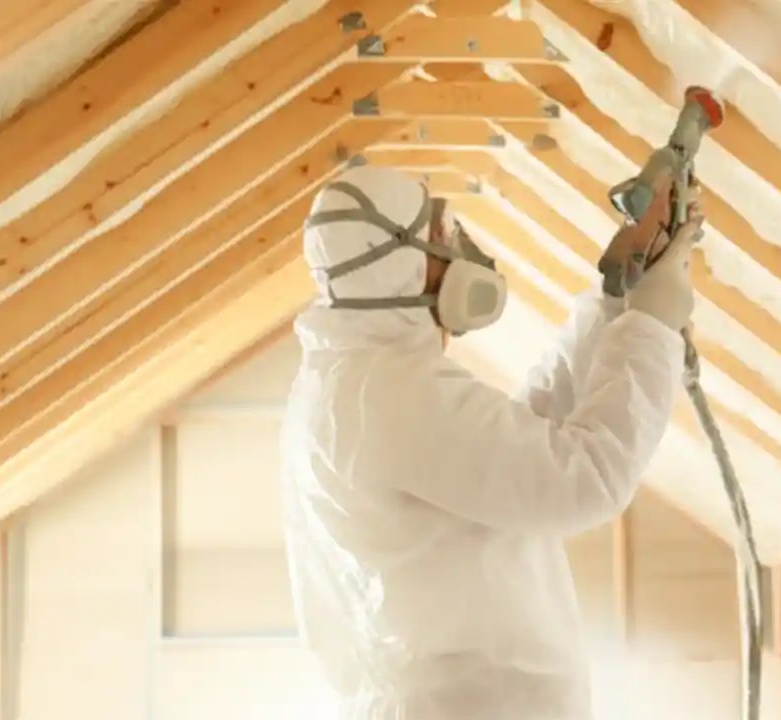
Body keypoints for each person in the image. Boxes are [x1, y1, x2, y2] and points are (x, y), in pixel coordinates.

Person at [279, 163, 701, 719]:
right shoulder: (392, 393)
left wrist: (612, 303)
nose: (458, 248)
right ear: (402, 263)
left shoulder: (348, 378)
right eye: (441, 234)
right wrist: (651, 327)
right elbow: (583, 477)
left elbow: (517, 450)